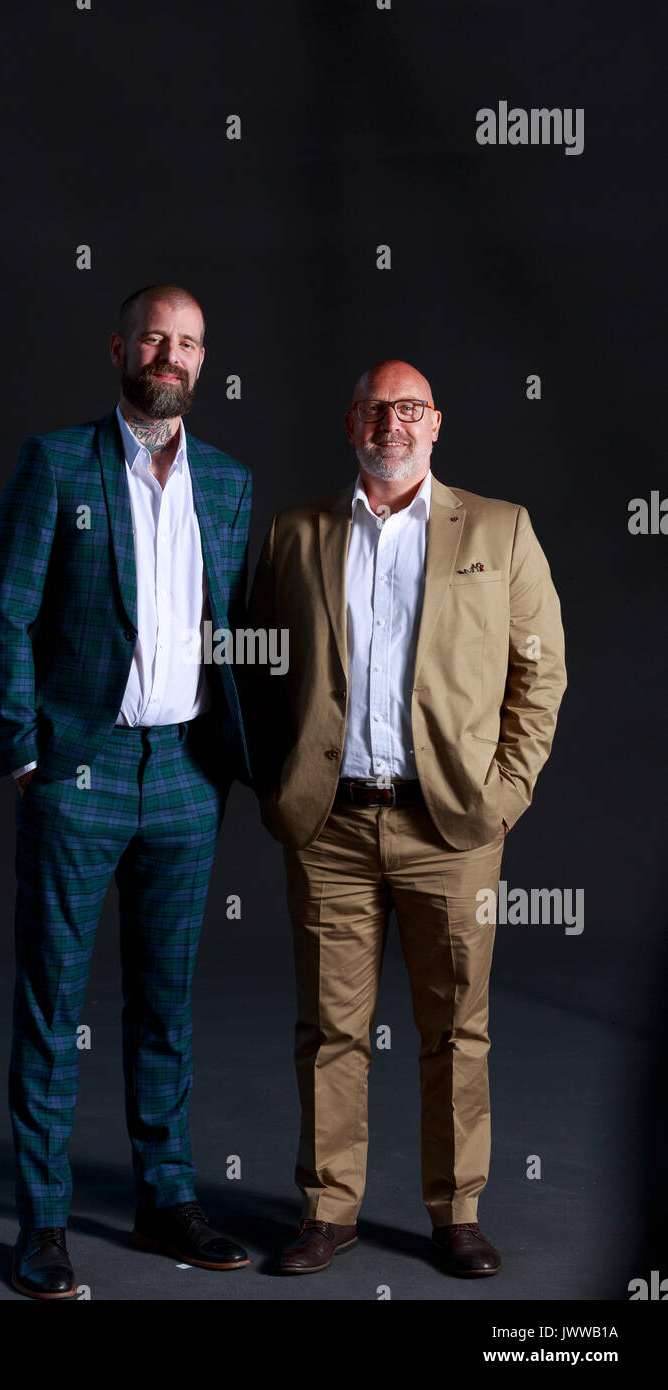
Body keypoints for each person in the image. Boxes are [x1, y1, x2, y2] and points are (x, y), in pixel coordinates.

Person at [243, 358, 566, 1277]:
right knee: (329, 1029)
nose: (394, 423)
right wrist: (279, 785)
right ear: (352, 424)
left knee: (458, 1028)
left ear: (436, 425)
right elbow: (259, 669)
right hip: (331, 829)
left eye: (411, 408)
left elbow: (540, 675)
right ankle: (327, 1211)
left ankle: (455, 1214)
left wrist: (502, 796)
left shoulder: (499, 531)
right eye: (378, 409)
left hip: (452, 831)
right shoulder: (297, 532)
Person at [0, 284, 253, 1298]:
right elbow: (5, 614)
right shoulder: (57, 463)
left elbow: (232, 629)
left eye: (187, 343)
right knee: (53, 1002)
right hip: (79, 768)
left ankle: (164, 1199)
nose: (169, 356)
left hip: (184, 774)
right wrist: (23, 749)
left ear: (200, 362)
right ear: (118, 349)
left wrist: (234, 753)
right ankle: (43, 1222)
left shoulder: (226, 483)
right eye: (154, 337)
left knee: (165, 1001)